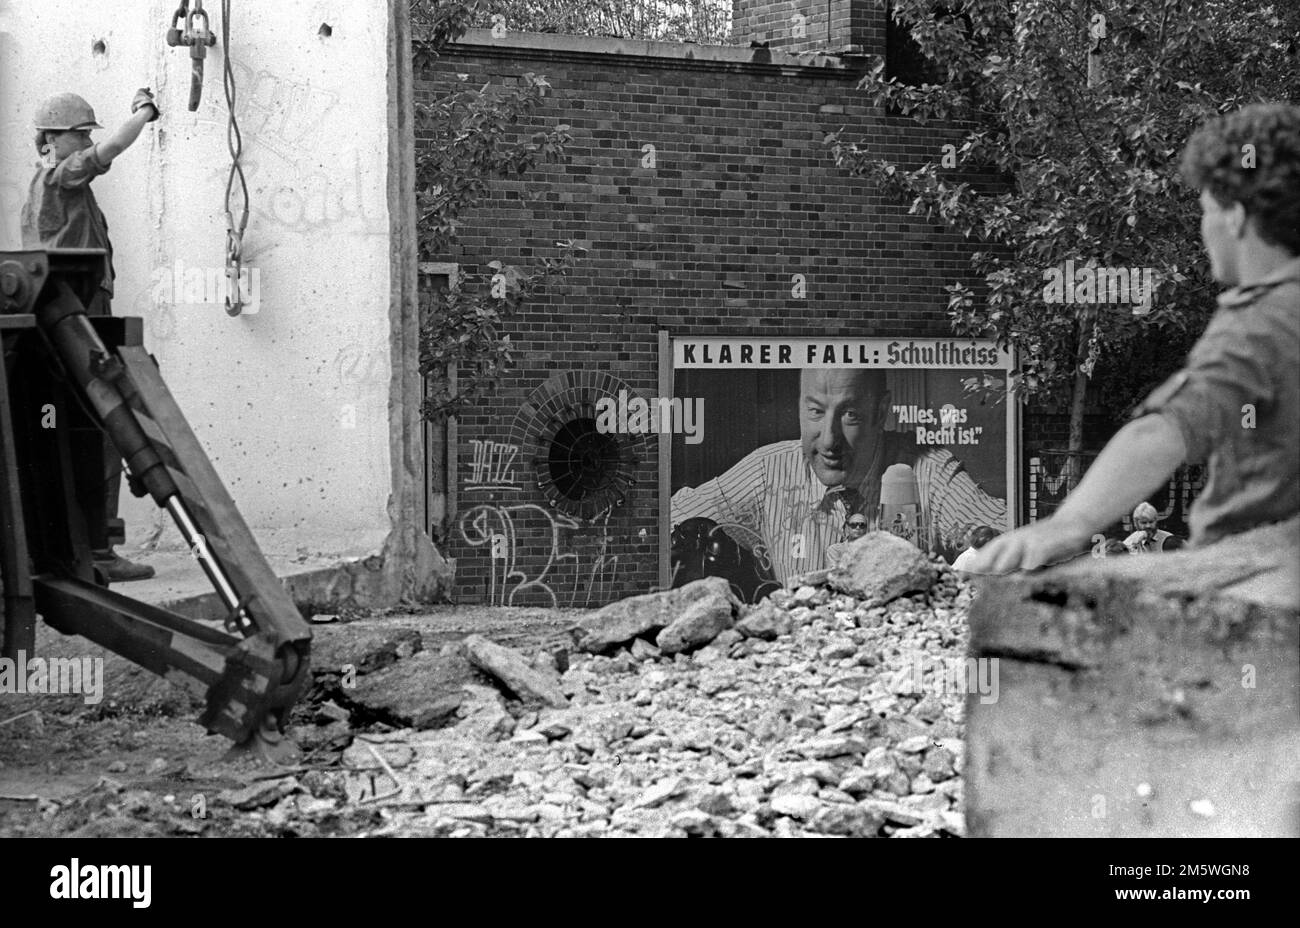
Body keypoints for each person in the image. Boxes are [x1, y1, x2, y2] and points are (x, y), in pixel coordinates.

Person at [974, 103, 1300, 573]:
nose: (1201, 227)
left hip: (1246, 579)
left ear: (1236, 217)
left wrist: (1066, 525)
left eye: (1206, 209)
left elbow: (1165, 431)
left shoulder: (1260, 324)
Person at [671, 368, 1007, 584]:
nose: (829, 440)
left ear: (880, 413)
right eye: (815, 411)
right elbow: (668, 522)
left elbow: (1013, 537)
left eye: (850, 415)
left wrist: (976, 549)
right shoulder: (767, 471)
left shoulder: (927, 472)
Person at [21, 90, 160, 582]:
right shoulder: (61, 179)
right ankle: (99, 549)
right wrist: (144, 112)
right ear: (51, 139)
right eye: (77, 133)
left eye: (85, 132)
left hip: (67, 313)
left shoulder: (50, 186)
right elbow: (110, 151)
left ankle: (90, 546)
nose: (84, 140)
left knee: (89, 427)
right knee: (103, 423)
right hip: (78, 315)